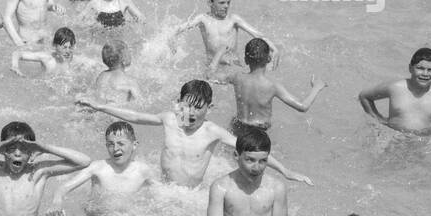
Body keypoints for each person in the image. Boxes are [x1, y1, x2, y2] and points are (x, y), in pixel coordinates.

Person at [88, 79, 311, 188]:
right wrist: (99, 106)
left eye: (198, 107)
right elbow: (135, 116)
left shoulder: (212, 132)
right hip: (162, 190)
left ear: (209, 108)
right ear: (179, 104)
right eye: (187, 106)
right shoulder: (169, 119)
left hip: (190, 196)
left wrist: (286, 170)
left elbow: (252, 148)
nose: (191, 112)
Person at [206, 126, 290, 216]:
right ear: (236, 156)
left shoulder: (276, 188)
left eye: (263, 161)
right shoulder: (221, 187)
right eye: (250, 160)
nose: (257, 168)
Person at [49, 120, 154, 216]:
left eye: (121, 144)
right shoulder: (97, 168)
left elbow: (163, 193)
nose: (116, 149)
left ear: (134, 145)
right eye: (110, 144)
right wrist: (57, 201)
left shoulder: (143, 171)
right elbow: (62, 188)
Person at [225, 38, 325, 136]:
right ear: (269, 59)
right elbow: (303, 107)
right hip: (258, 133)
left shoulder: (237, 77)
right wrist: (316, 87)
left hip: (238, 129)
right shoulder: (272, 85)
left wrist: (220, 55)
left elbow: (211, 76)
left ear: (246, 60)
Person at [176, 0, 279, 73]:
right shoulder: (203, 19)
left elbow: (258, 35)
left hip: (233, 66)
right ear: (210, 3)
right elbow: (180, 29)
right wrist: (171, 40)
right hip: (213, 67)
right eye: (222, 3)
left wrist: (274, 48)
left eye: (228, 2)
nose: (226, 6)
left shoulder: (233, 19)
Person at [357, 47, 431, 134]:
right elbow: (364, 96)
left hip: (423, 141)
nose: (425, 74)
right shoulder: (395, 88)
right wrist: (378, 120)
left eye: (430, 70)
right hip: (395, 137)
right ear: (410, 68)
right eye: (420, 68)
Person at [12, 26, 77, 77]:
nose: (67, 51)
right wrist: (15, 67)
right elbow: (17, 53)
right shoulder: (47, 58)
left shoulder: (70, 57)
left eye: (70, 47)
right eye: (64, 47)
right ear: (54, 45)